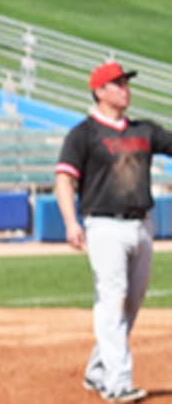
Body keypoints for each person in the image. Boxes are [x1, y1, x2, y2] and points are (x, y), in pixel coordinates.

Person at [55, 60, 172, 403]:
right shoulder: (84, 134)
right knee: (111, 299)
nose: (125, 88)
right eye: (117, 83)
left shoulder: (144, 131)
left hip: (141, 225)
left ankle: (98, 370)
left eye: (125, 83)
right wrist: (70, 221)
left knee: (130, 303)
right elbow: (65, 179)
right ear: (99, 91)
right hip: (104, 225)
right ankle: (118, 383)